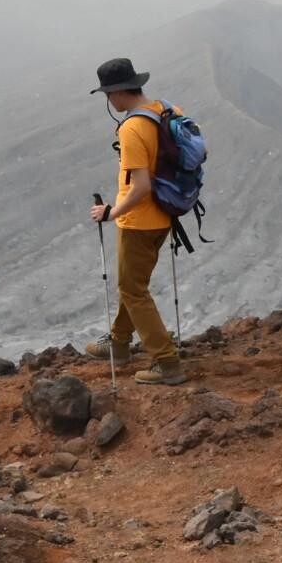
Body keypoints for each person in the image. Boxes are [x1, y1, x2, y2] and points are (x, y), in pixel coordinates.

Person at [87, 58, 188, 386]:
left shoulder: (132, 128)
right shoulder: (167, 110)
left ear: (117, 93)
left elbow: (141, 186)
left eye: (108, 94)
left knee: (133, 290)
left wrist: (111, 212)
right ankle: (119, 344)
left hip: (139, 222)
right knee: (132, 284)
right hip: (165, 214)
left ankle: (167, 363)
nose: (109, 101)